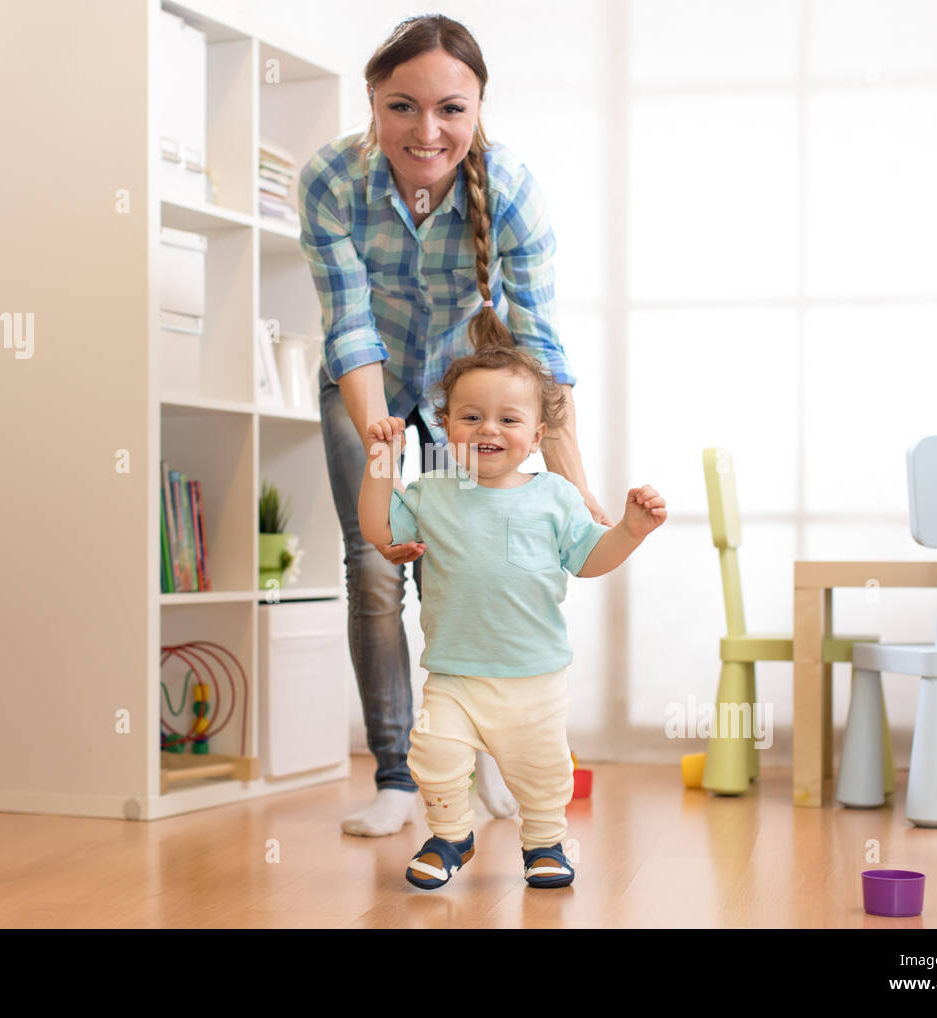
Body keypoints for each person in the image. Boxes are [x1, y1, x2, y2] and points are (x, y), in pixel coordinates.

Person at [298, 14, 611, 838]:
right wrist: (381, 443)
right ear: (372, 99)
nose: (426, 131)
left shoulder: (509, 188)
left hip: (469, 395)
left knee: (462, 562)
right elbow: (350, 326)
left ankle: (476, 754)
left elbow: (540, 350)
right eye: (402, 106)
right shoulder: (332, 180)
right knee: (373, 566)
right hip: (364, 383)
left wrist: (576, 487)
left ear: (477, 109)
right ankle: (400, 776)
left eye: (450, 109)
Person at [359, 344, 666, 888]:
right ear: (445, 425)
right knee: (434, 754)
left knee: (543, 771)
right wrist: (382, 460)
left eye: (508, 419)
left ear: (538, 435)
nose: (488, 429)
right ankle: (451, 835)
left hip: (535, 677)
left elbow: (589, 559)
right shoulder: (432, 492)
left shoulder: (556, 497)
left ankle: (545, 841)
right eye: (471, 416)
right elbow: (380, 533)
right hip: (454, 673)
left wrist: (629, 532)